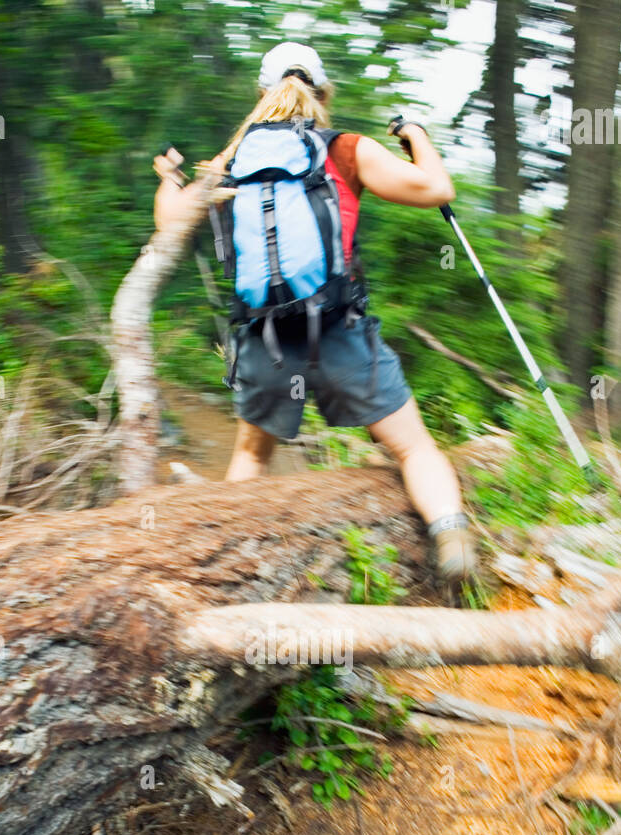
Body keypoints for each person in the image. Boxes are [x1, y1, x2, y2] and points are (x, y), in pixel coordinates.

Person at [154, 41, 476, 589]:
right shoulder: (348, 150)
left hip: (265, 342)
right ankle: (451, 538)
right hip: (340, 333)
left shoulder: (233, 161)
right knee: (413, 446)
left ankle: (226, 571)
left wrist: (168, 180)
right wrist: (416, 135)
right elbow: (435, 189)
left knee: (253, 459)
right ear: (323, 94)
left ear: (262, 94)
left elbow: (170, 228)